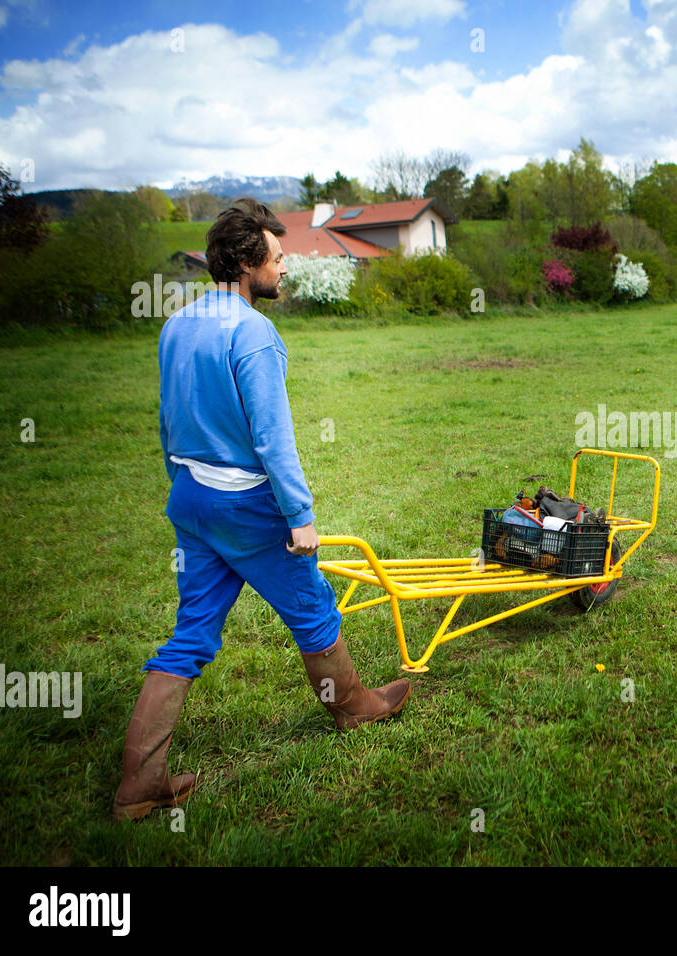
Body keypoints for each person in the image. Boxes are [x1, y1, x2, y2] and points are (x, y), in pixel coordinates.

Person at [112, 198, 410, 822]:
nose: (283, 269)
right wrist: (298, 516)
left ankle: (139, 784)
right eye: (277, 258)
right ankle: (353, 707)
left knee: (191, 633)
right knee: (311, 606)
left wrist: (181, 488)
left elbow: (168, 421)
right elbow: (273, 438)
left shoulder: (177, 325)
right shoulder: (254, 333)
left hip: (190, 498)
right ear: (248, 263)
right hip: (246, 504)